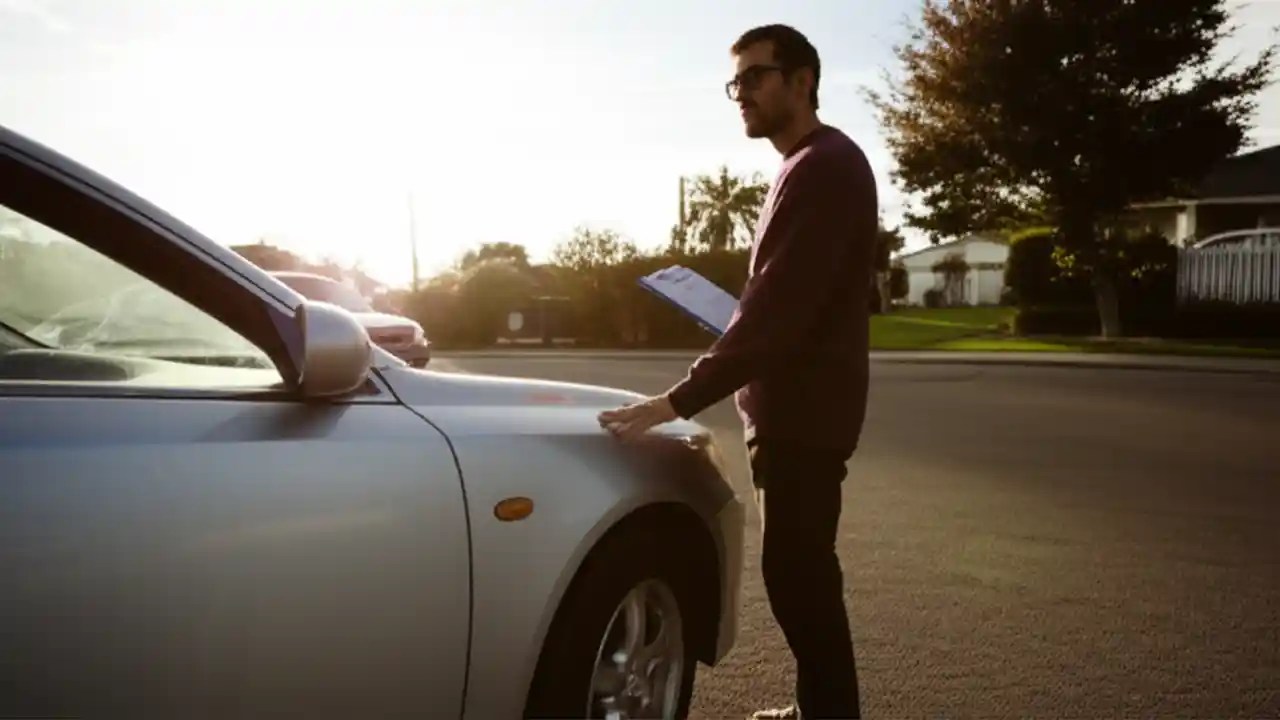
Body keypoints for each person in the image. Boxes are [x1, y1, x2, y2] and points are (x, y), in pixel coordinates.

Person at [597, 23, 878, 720]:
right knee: (801, 573)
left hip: (804, 414)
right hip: (795, 409)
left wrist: (673, 402)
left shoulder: (823, 166)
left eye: (755, 76)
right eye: (736, 81)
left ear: (802, 81)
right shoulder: (806, 165)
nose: (741, 93)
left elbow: (780, 311)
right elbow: (785, 302)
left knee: (799, 576)